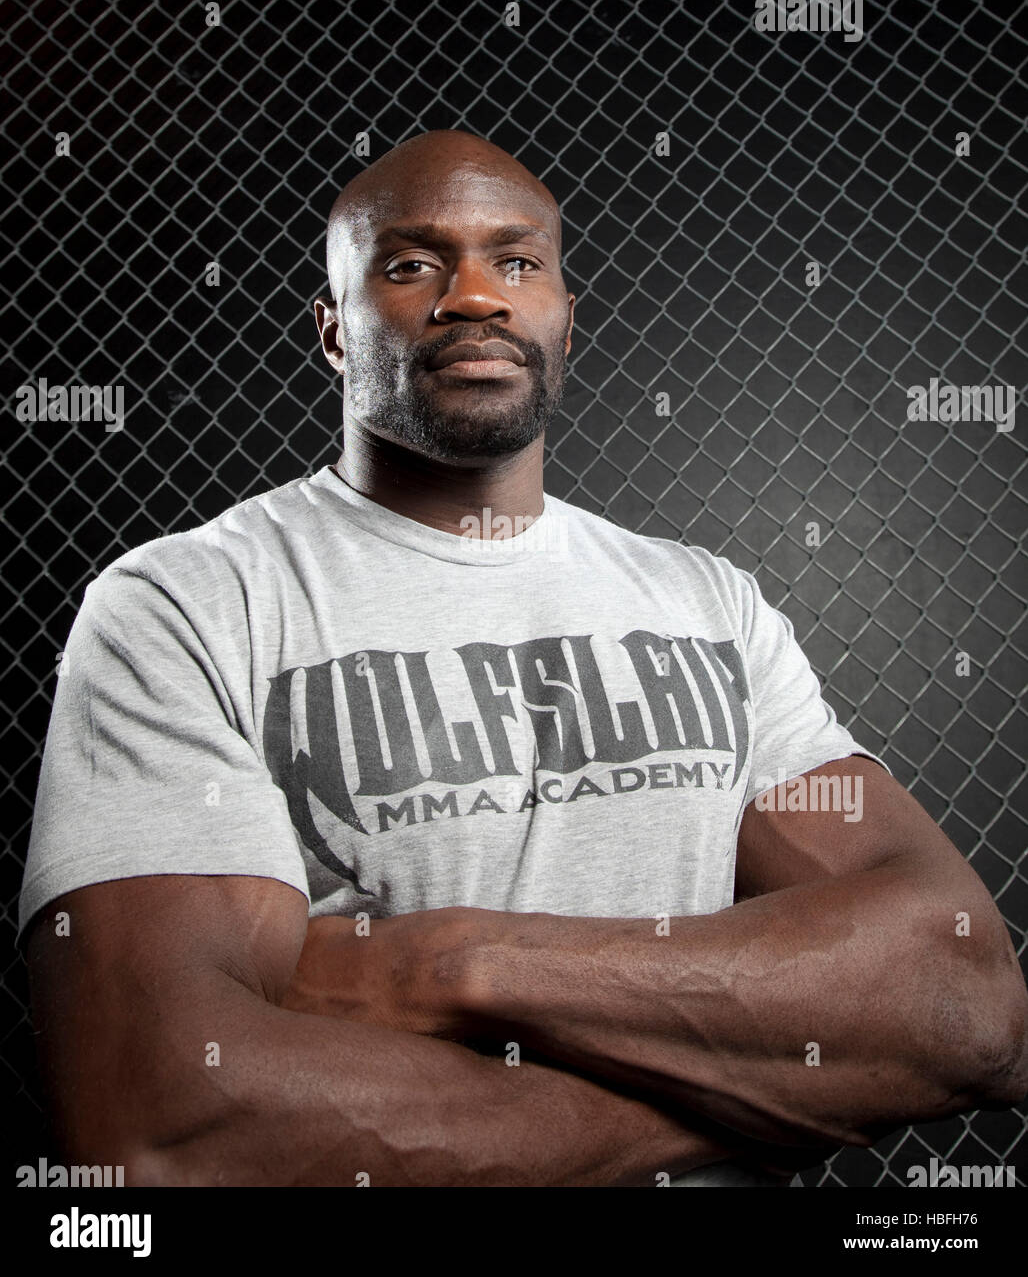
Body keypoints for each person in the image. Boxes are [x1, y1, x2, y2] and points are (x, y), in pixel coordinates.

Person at [19, 130, 1027, 1187]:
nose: (474, 298)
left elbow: (960, 998)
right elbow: (162, 1122)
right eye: (410, 265)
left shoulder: (704, 601)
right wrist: (764, 1097)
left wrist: (450, 964)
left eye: (516, 262)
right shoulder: (185, 604)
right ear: (329, 330)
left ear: (563, 318)